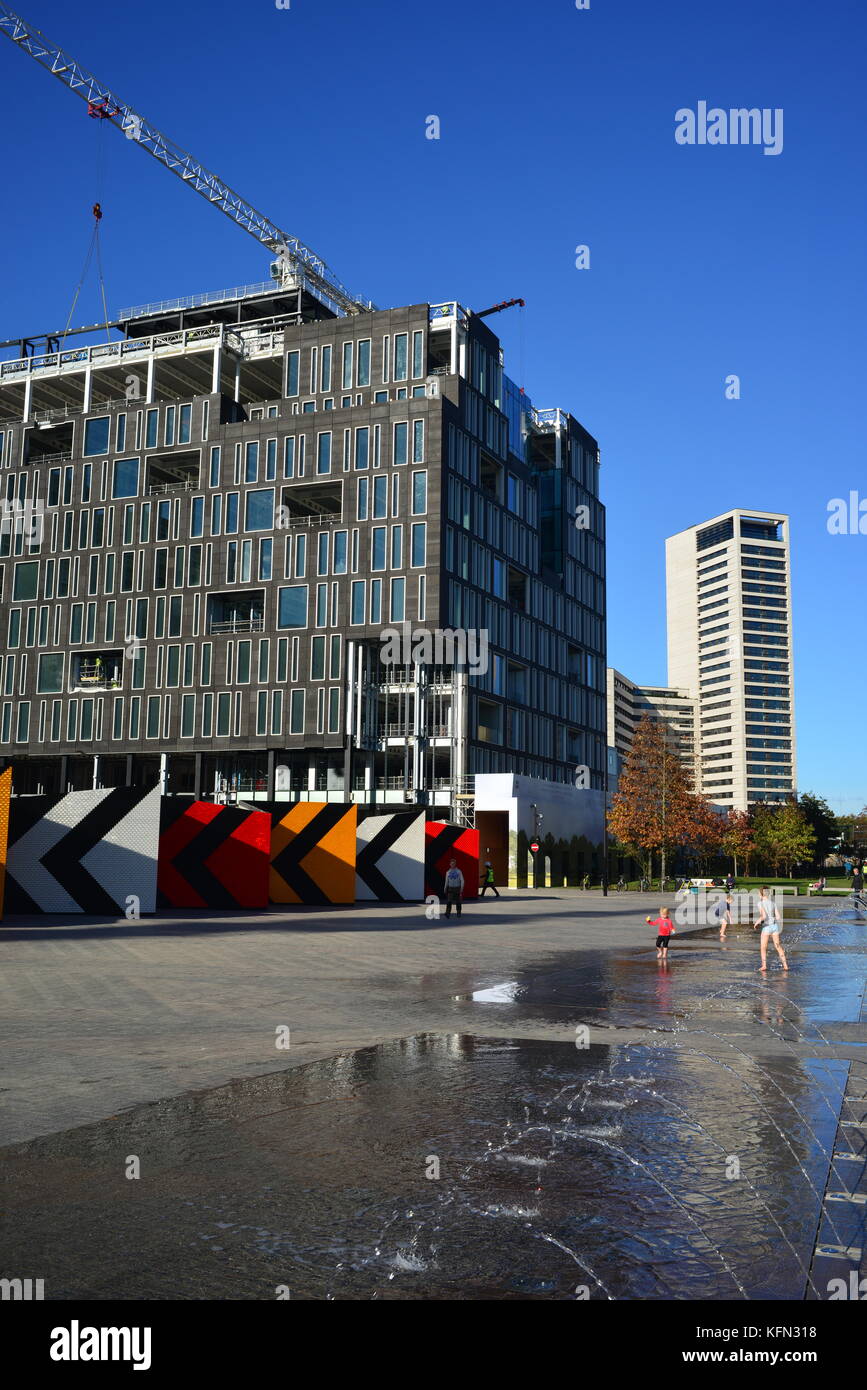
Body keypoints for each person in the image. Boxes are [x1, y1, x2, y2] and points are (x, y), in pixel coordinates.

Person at [753, 886, 788, 972]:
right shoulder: (773, 903)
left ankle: (764, 965)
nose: (758, 894)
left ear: (761, 894)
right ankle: (785, 965)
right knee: (778, 946)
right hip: (775, 926)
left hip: (767, 927)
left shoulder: (760, 903)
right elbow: (779, 917)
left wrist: (757, 922)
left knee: (763, 947)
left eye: (758, 893)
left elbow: (764, 916)